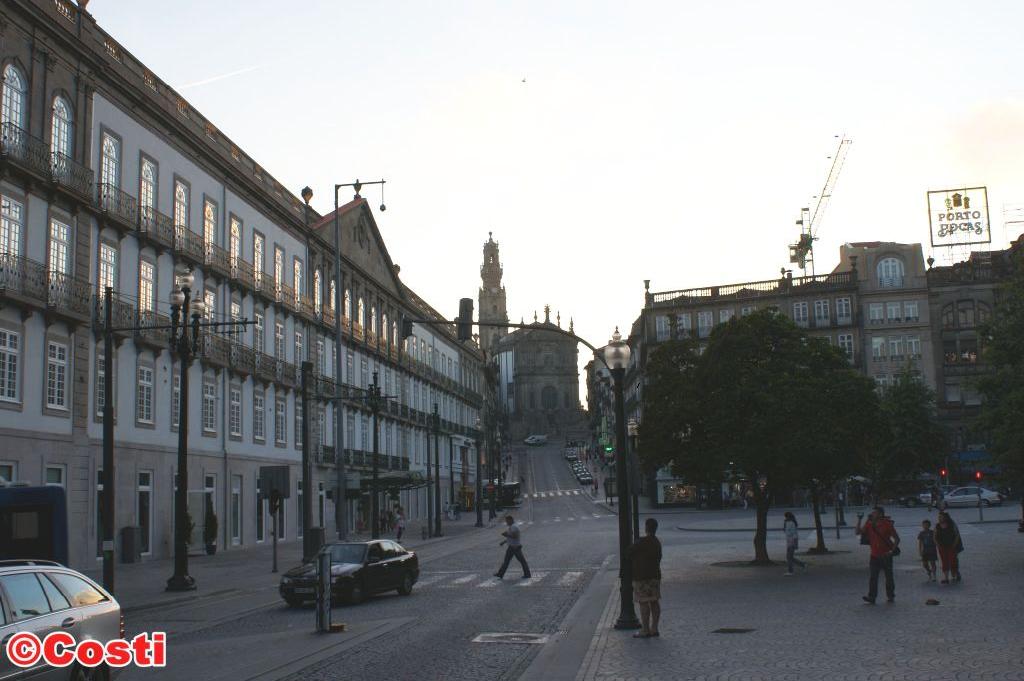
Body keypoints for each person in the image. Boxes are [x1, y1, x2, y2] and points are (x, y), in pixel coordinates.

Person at [855, 506, 900, 604]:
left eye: (874, 513)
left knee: (888, 577)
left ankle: (890, 595)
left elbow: (897, 539)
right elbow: (858, 532)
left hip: (886, 555)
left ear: (880, 514)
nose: (872, 514)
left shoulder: (887, 524)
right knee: (873, 577)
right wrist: (859, 520)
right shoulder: (869, 524)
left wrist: (891, 551)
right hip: (874, 555)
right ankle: (872, 597)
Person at [628, 517, 662, 638]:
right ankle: (655, 628)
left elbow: (629, 552)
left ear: (646, 528)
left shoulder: (641, 542)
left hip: (641, 576)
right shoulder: (657, 542)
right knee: (654, 601)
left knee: (643, 602)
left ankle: (645, 629)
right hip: (654, 576)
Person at [494, 515, 531, 579]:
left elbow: (515, 536)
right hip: (512, 547)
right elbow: (510, 537)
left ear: (510, 520)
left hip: (515, 547)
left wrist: (506, 535)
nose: (506, 522)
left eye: (507, 521)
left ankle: (527, 574)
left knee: (522, 561)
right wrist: (504, 542)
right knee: (506, 561)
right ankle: (500, 574)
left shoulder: (514, 527)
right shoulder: (512, 527)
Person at [934, 511, 963, 584]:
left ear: (945, 517)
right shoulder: (937, 526)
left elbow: (957, 535)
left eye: (941, 517)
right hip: (942, 547)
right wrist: (938, 545)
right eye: (939, 517)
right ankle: (946, 578)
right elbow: (935, 536)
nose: (939, 518)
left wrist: (954, 545)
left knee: (953, 561)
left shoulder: (952, 524)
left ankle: (955, 573)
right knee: (944, 561)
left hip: (951, 546)